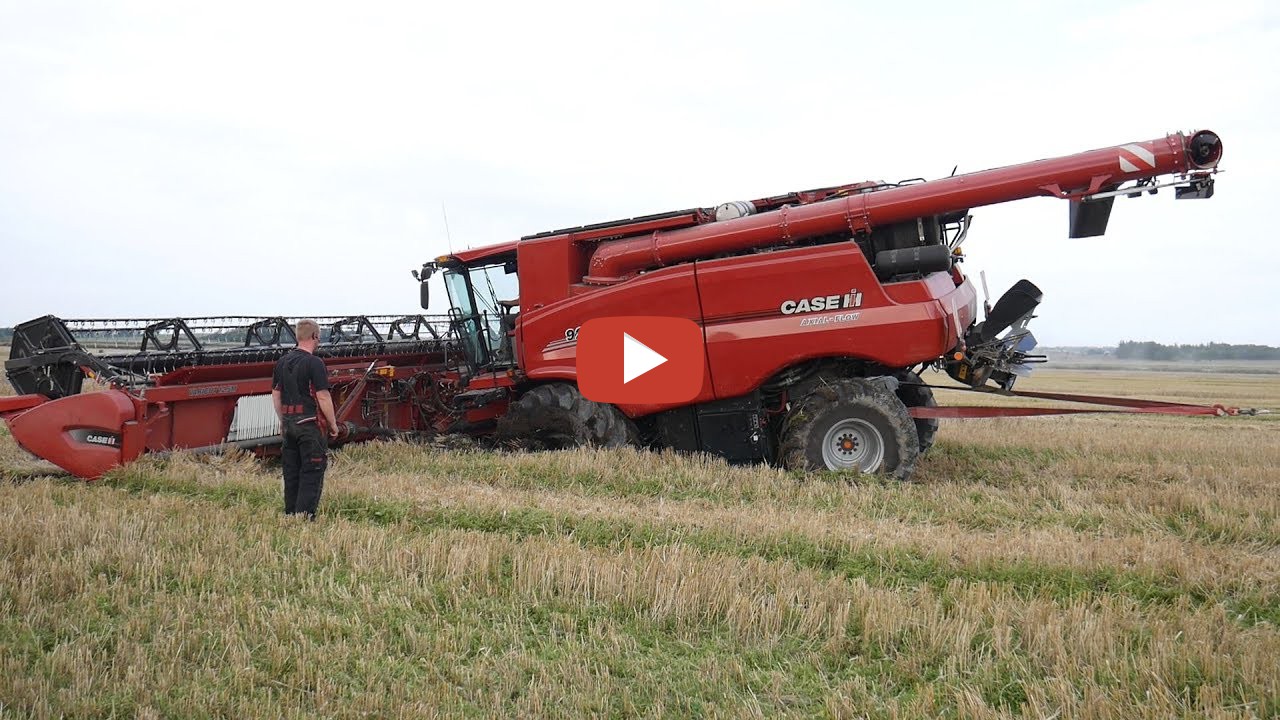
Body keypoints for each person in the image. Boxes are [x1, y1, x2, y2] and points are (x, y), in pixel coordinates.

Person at [270, 319, 338, 519]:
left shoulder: (282, 362)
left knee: (291, 471)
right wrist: (333, 424)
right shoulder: (314, 363)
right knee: (312, 470)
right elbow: (323, 396)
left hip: (290, 424)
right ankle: (304, 517)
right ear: (315, 336)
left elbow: (275, 394)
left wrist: (283, 420)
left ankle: (291, 514)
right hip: (310, 425)